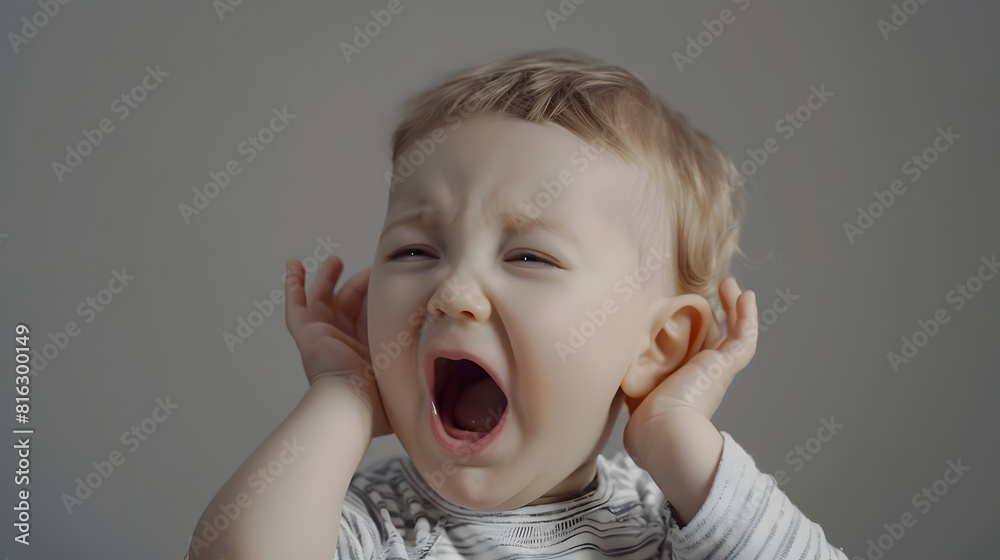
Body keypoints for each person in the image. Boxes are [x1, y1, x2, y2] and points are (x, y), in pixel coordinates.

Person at [187, 50, 849, 559]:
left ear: (657, 347)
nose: (452, 293)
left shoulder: (673, 524)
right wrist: (344, 390)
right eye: (415, 252)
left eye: (528, 256)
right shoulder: (368, 524)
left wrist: (675, 433)